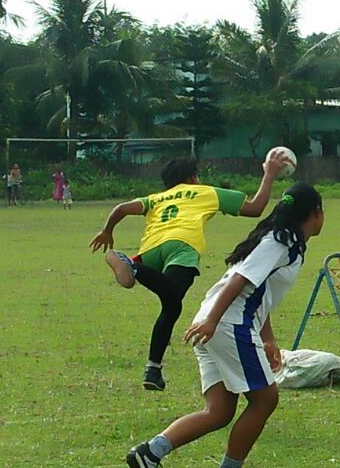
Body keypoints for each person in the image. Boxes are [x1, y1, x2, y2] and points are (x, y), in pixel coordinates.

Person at [126, 184, 325, 468]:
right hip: (227, 325)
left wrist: (268, 337)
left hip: (217, 322)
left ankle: (150, 453)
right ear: (316, 213)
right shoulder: (280, 243)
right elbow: (240, 281)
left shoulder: (278, 240)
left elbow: (258, 293)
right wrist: (214, 321)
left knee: (218, 411)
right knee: (266, 399)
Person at [89, 152, 290, 391]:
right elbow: (256, 208)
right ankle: (131, 266)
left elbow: (122, 208)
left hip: (151, 249)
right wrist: (268, 174)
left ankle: (153, 369)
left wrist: (107, 231)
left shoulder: (156, 198)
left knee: (172, 305)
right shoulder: (206, 192)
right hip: (181, 246)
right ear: (193, 177)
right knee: (173, 293)